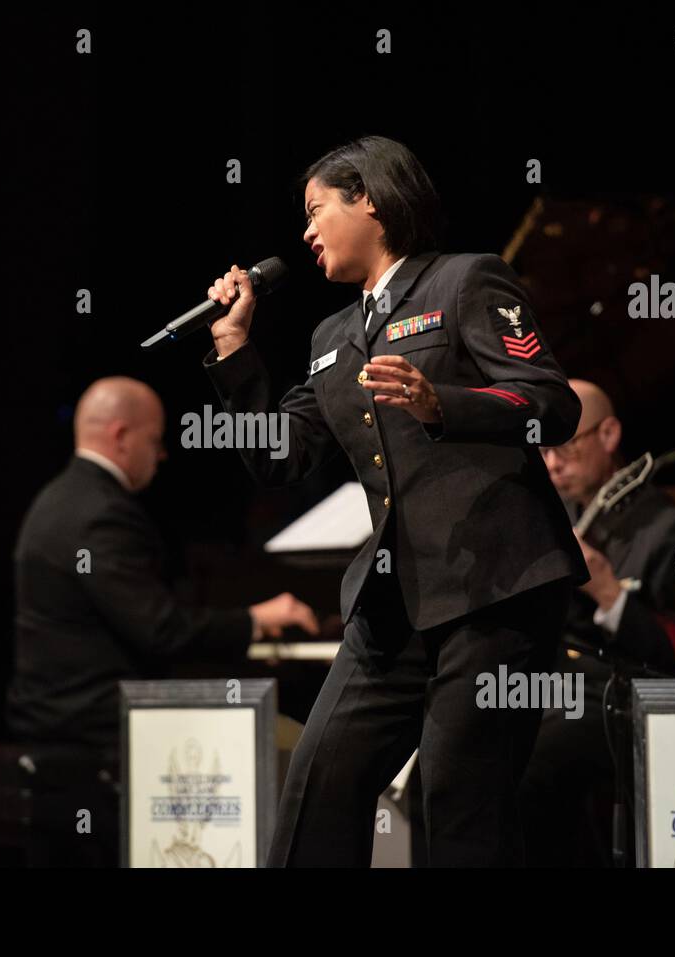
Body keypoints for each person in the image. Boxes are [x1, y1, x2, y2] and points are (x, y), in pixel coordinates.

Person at [202, 135, 588, 866]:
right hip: (391, 611)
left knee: (458, 811)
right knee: (316, 791)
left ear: (371, 199)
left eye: (317, 209)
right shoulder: (332, 336)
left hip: (493, 593)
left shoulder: (466, 281)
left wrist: (444, 403)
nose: (306, 231)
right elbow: (279, 456)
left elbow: (551, 402)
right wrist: (233, 350)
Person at [5, 376, 318, 864]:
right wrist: (257, 618)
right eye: (155, 440)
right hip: (96, 723)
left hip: (60, 712)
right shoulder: (101, 513)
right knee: (296, 742)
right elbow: (163, 631)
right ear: (121, 435)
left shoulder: (57, 499)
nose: (163, 455)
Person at [516, 379, 675, 866]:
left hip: (630, 701)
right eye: (541, 449)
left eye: (564, 445)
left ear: (608, 435)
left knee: (530, 757)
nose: (551, 463)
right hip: (554, 687)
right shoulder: (557, 514)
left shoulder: (674, 531)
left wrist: (607, 587)